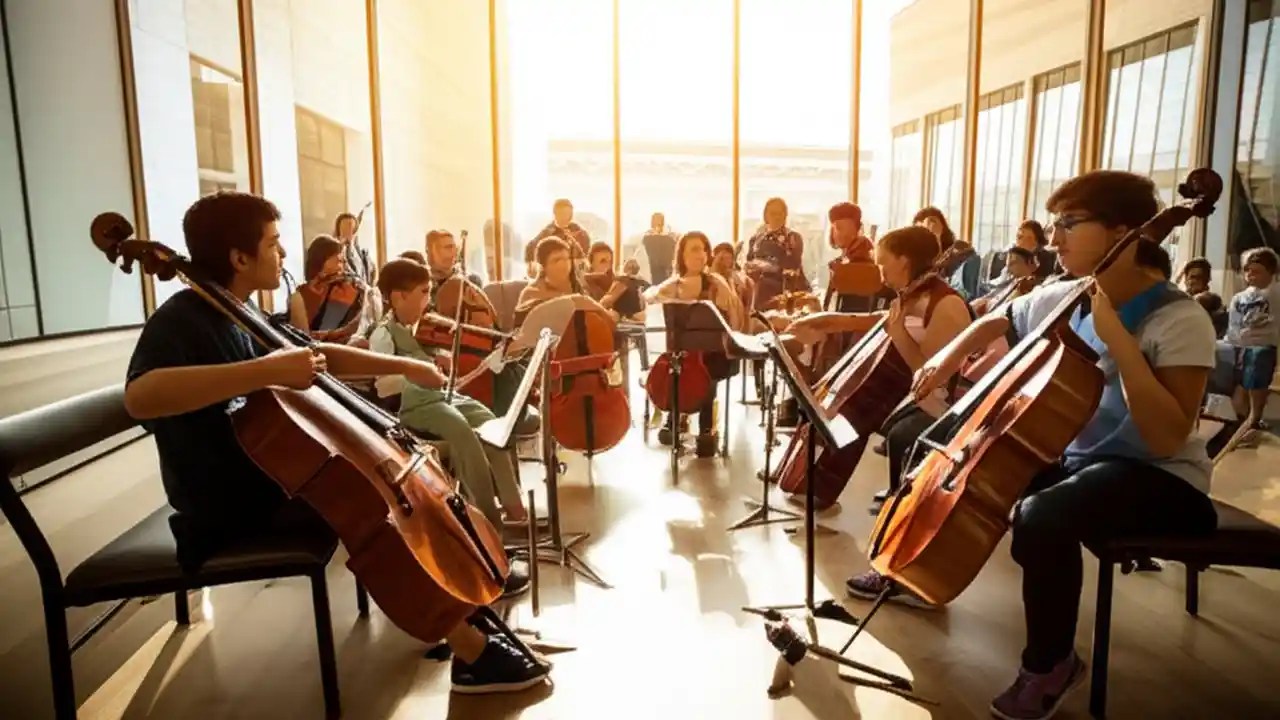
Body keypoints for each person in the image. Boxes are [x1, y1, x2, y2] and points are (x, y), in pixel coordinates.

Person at [125, 191, 549, 695]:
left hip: (267, 477)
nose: (284, 253)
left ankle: (464, 600)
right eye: (273, 244)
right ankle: (470, 649)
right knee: (372, 506)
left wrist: (406, 365)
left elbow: (319, 357)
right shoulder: (182, 318)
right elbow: (140, 397)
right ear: (239, 258)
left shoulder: (240, 311)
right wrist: (262, 371)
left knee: (399, 482)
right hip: (225, 499)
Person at [903, 171, 1217, 719]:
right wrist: (945, 358)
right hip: (1085, 465)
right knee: (973, 461)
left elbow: (1168, 435)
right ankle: (913, 569)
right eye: (1055, 224)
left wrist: (1117, 338)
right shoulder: (1067, 295)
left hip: (1164, 479)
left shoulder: (1179, 317)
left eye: (1070, 223)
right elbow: (997, 318)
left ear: (1123, 231)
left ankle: (1051, 664)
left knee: (1042, 514)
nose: (1054, 238)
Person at [783, 226, 971, 511]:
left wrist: (899, 334)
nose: (879, 270)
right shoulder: (913, 296)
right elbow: (875, 319)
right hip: (903, 391)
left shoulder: (946, 304)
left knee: (855, 410)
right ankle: (806, 478)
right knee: (837, 402)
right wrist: (825, 320)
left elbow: (933, 377)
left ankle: (824, 485)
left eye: (883, 263)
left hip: (930, 401)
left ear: (904, 261)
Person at [369, 257, 531, 536]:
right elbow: (383, 385)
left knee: (489, 421)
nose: (428, 301)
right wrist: (420, 372)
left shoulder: (419, 327)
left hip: (441, 396)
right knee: (462, 434)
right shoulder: (383, 334)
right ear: (398, 297)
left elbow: (429, 353)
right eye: (423, 293)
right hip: (414, 406)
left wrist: (440, 357)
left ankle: (514, 507)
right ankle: (488, 520)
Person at [643, 231, 746, 457]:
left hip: (713, 352)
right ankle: (676, 418)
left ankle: (704, 427)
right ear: (682, 255)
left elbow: (733, 317)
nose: (701, 255)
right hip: (681, 354)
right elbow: (650, 297)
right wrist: (660, 293)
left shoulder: (716, 283)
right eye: (694, 249)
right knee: (679, 366)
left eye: (703, 249)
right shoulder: (674, 283)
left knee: (706, 370)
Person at [1222, 247, 1280, 447]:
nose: (1250, 275)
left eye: (1257, 271)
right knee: (1239, 376)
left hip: (1264, 345)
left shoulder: (1275, 294)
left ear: (1271, 272)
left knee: (1257, 369)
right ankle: (1239, 418)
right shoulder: (1240, 298)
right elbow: (1234, 324)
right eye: (1248, 270)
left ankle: (1254, 417)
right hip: (1242, 344)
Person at [287, 235, 367, 344]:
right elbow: (301, 337)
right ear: (322, 260)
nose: (343, 267)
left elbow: (361, 322)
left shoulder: (348, 288)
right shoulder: (300, 295)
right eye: (339, 261)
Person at [914, 206, 980, 300]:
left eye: (933, 222)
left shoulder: (960, 249)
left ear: (942, 227)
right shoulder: (916, 261)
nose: (930, 227)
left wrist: (935, 239)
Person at [524, 198, 591, 267]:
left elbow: (586, 255)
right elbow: (530, 249)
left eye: (569, 214)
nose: (567, 217)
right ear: (555, 213)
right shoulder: (547, 233)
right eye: (563, 214)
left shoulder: (580, 233)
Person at [334, 211, 376, 285]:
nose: (348, 232)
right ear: (338, 231)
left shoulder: (363, 254)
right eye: (345, 229)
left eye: (351, 229)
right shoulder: (334, 253)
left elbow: (372, 273)